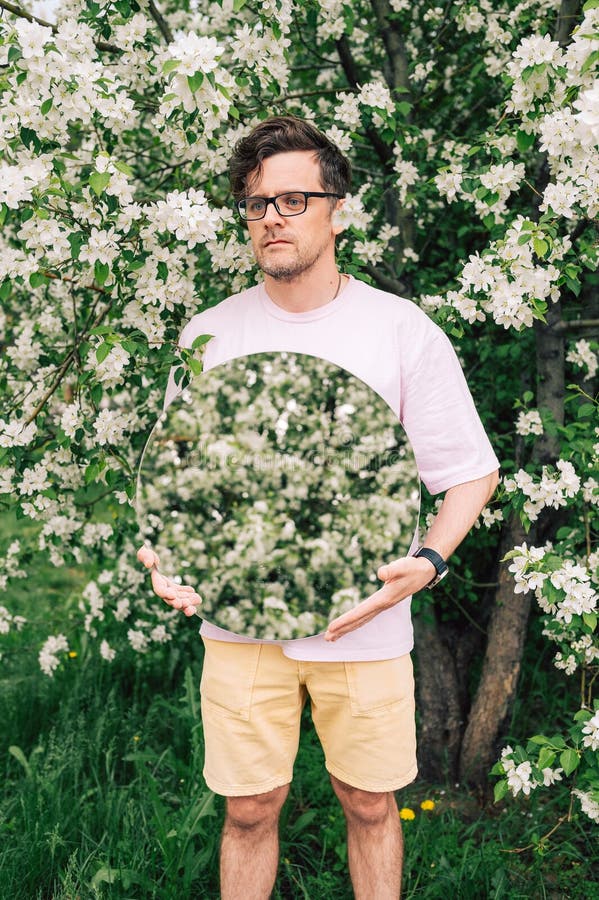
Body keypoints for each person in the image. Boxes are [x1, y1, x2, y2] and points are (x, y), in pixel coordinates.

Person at [138, 115, 499, 899]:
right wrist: (161, 554)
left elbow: (470, 473)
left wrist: (427, 564)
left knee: (370, 805)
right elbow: (175, 483)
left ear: (338, 209)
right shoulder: (208, 334)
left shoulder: (400, 332)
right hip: (240, 621)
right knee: (248, 808)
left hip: (362, 619)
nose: (272, 215)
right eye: (258, 202)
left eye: (294, 199)